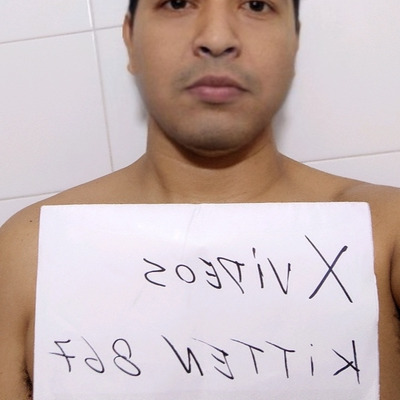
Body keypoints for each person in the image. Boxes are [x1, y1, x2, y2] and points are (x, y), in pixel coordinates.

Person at [0, 0, 399, 398]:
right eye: (177, 3)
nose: (217, 38)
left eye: (256, 5)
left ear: (294, 43)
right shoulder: (28, 253)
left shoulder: (388, 233)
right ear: (130, 40)